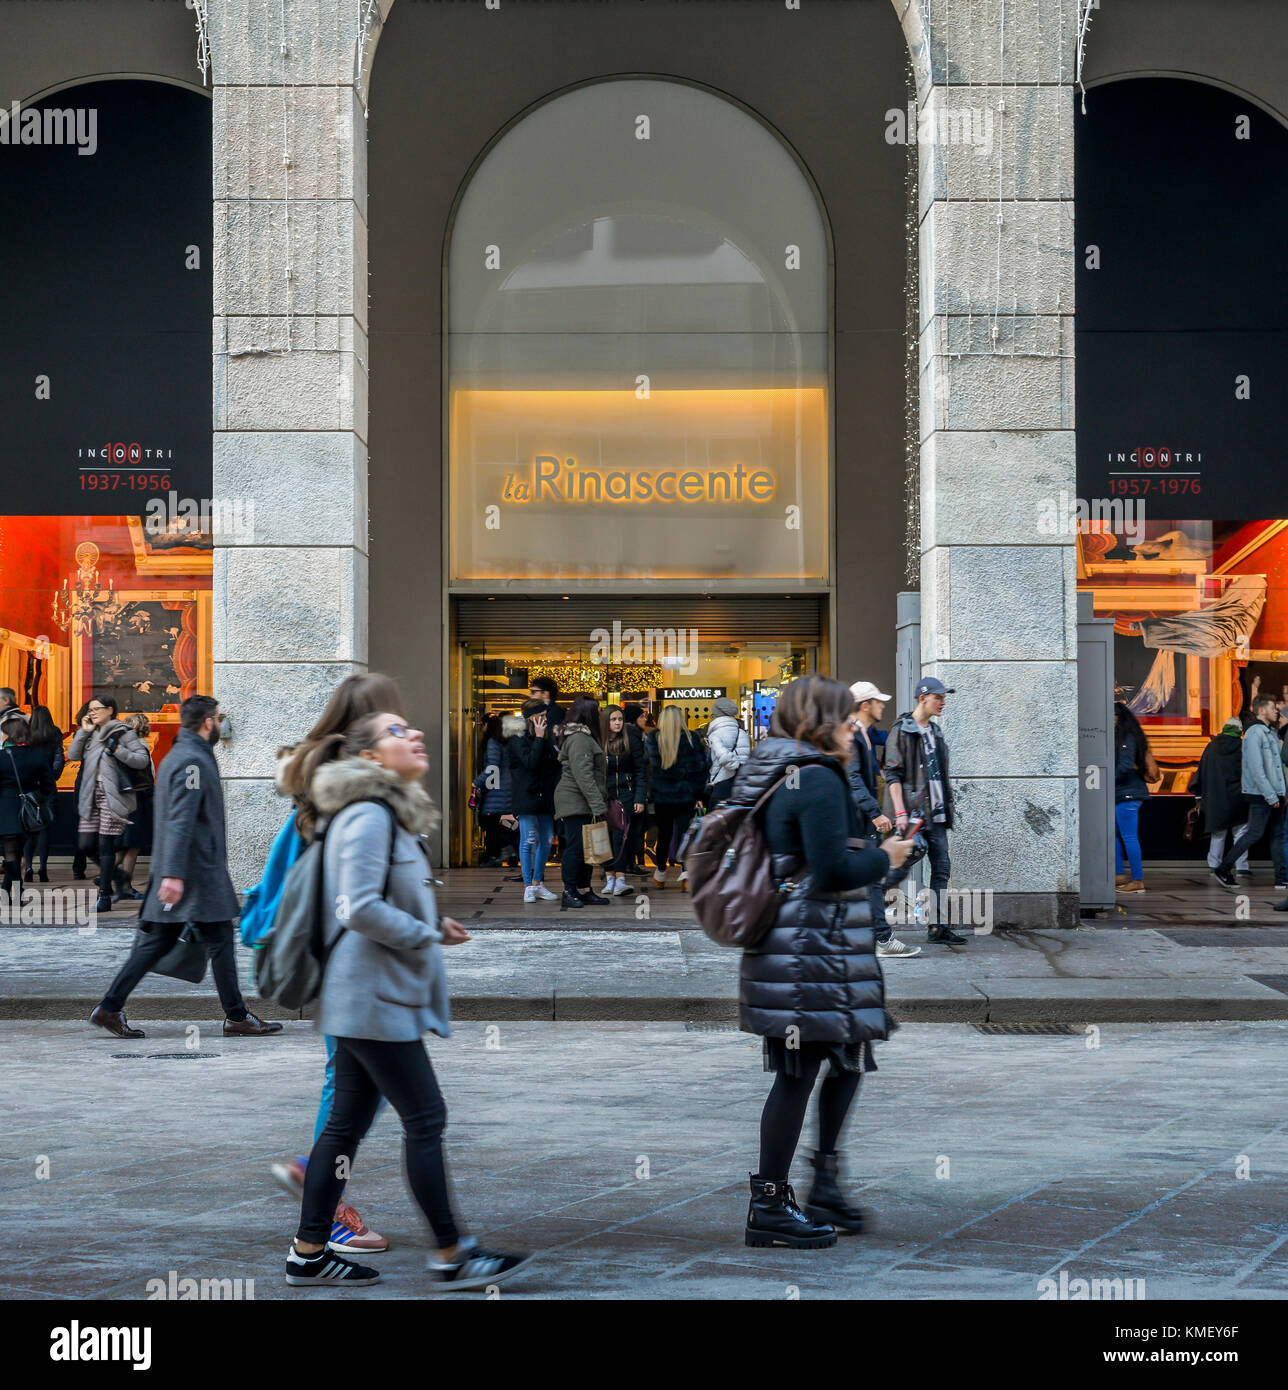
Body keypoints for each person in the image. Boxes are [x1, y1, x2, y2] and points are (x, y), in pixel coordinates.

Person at [285, 709, 533, 1290]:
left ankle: (308, 1253)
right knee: (425, 1117)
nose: (414, 734)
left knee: (343, 1127)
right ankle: (452, 1253)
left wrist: (431, 921)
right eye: (398, 732)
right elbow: (357, 907)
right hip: (372, 999)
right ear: (370, 758)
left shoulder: (383, 815)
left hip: (361, 997)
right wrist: (423, 933)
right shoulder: (369, 815)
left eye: (410, 727)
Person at [735, 675, 913, 1248]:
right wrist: (885, 858)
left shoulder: (778, 765)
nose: (853, 725)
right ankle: (771, 1205)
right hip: (809, 948)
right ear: (823, 721)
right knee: (800, 1072)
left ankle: (823, 1184)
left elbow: (809, 856)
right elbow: (833, 868)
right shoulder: (813, 776)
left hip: (813, 946)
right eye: (845, 717)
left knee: (845, 1057)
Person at [269, 672, 411, 1256]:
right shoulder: (352, 789)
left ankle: (318, 1194)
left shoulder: (316, 780)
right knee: (357, 1090)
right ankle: (320, 1205)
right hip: (350, 961)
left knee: (360, 1086)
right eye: (396, 720)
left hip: (335, 957)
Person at [88, 695, 282, 1040]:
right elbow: (181, 819)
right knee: (186, 941)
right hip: (194, 874)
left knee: (182, 940)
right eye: (218, 719)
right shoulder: (192, 760)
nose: (220, 725)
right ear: (208, 721)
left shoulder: (187, 754)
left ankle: (112, 1008)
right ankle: (233, 1017)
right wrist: (174, 874)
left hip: (193, 872)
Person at [882, 676, 964, 944]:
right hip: (913, 814)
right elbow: (892, 774)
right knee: (900, 867)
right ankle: (870, 912)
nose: (943, 702)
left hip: (937, 814)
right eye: (938, 697)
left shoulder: (936, 732)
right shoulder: (901, 730)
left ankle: (937, 926)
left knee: (941, 869)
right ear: (923, 698)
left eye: (944, 697)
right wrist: (901, 814)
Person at [847, 680, 920, 960]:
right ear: (865, 705)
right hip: (857, 822)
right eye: (878, 701)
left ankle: (875, 936)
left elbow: (885, 737)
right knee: (869, 880)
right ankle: (881, 938)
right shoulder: (852, 735)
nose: (883, 705)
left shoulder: (864, 733)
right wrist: (874, 813)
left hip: (858, 821)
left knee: (868, 881)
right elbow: (852, 779)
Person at [67, 696, 152, 914]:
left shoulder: (123, 732)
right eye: (90, 709)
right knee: (85, 844)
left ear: (110, 710)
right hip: (90, 794)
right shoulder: (89, 733)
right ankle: (117, 876)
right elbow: (72, 755)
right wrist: (83, 731)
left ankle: (104, 894)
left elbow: (141, 759)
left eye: (96, 709)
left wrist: (118, 751)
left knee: (105, 845)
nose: (92, 713)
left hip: (112, 795)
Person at [1213, 694, 1286, 890]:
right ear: (1261, 710)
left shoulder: (1269, 733)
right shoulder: (1254, 733)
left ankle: (1282, 878)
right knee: (1254, 833)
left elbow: (1277, 766)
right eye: (1273, 708)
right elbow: (1256, 768)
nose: (1276, 711)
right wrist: (1271, 795)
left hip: (1274, 793)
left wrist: (1281, 792)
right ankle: (1223, 868)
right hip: (1261, 794)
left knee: (1277, 835)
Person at [553, 694, 609, 910]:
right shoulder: (579, 739)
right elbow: (583, 775)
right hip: (575, 801)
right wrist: (598, 805)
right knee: (576, 848)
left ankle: (584, 889)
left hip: (581, 800)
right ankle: (569, 891)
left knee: (588, 848)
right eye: (596, 711)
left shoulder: (582, 737)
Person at [645, 703, 708, 888]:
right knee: (684, 833)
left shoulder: (654, 738)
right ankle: (686, 873)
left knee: (664, 835)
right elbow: (699, 769)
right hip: (686, 794)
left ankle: (661, 873)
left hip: (662, 795)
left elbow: (648, 767)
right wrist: (699, 794)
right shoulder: (692, 738)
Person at [507, 699, 560, 902]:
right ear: (532, 718)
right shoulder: (518, 738)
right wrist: (539, 739)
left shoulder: (545, 737)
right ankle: (528, 885)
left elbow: (550, 764)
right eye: (542, 716)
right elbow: (530, 762)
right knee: (528, 840)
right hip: (527, 796)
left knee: (546, 840)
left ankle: (538, 883)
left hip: (544, 795)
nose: (546, 719)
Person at [0, 714, 57, 898]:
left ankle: (15, 892)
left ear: (8, 735)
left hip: (5, 808)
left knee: (10, 853)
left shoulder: (2, 756)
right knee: (18, 852)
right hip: (30, 810)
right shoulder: (36, 756)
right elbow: (49, 785)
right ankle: (11, 890)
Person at [1188, 720, 1249, 879]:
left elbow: (1201, 772)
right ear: (1240, 730)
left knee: (1218, 833)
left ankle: (1214, 865)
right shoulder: (1243, 746)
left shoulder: (1212, 746)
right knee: (1241, 832)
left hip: (1216, 798)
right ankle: (1241, 866)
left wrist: (1199, 795)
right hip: (1239, 797)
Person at [1113, 702, 1159, 895]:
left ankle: (1137, 880)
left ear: (1118, 717)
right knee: (1112, 835)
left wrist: (1106, 780)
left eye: (1111, 716)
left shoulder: (1126, 737)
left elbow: (1125, 765)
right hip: (1122, 794)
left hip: (1128, 794)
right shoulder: (1126, 736)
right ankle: (1118, 875)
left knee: (1129, 837)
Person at [600, 704, 645, 896]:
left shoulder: (630, 740)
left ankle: (620, 878)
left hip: (625, 794)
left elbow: (640, 770)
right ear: (606, 722)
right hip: (603, 796)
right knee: (603, 838)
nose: (617, 723)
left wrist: (640, 797)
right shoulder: (598, 742)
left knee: (622, 837)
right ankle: (609, 876)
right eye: (613, 719)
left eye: (619, 719)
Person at [111, 712, 154, 901]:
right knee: (133, 847)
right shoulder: (141, 749)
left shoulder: (117, 748)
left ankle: (106, 879)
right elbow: (147, 779)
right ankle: (126, 885)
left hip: (118, 801)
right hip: (135, 802)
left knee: (121, 846)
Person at [21, 704, 65, 884]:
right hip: (48, 787)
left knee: (29, 827)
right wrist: (52, 777)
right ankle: (43, 868)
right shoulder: (55, 733)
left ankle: (29, 868)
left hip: (29, 786)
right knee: (45, 828)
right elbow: (59, 758)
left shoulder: (27, 733)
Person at [473, 714, 518, 867]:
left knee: (486, 820)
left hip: (496, 789)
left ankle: (506, 849)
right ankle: (509, 850)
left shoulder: (493, 742)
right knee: (503, 821)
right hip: (508, 788)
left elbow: (492, 768)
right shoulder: (507, 742)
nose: (482, 728)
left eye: (483, 725)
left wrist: (477, 782)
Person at [621, 703, 652, 873]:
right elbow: (639, 764)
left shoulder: (639, 735)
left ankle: (629, 863)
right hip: (633, 787)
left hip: (636, 786)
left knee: (635, 826)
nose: (645, 719)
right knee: (632, 827)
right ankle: (627, 863)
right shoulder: (634, 735)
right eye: (641, 716)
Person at [705, 696, 750, 807]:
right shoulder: (742, 733)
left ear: (715, 714)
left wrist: (734, 764)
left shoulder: (715, 735)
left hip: (720, 786)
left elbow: (725, 759)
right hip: (739, 786)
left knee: (716, 821)